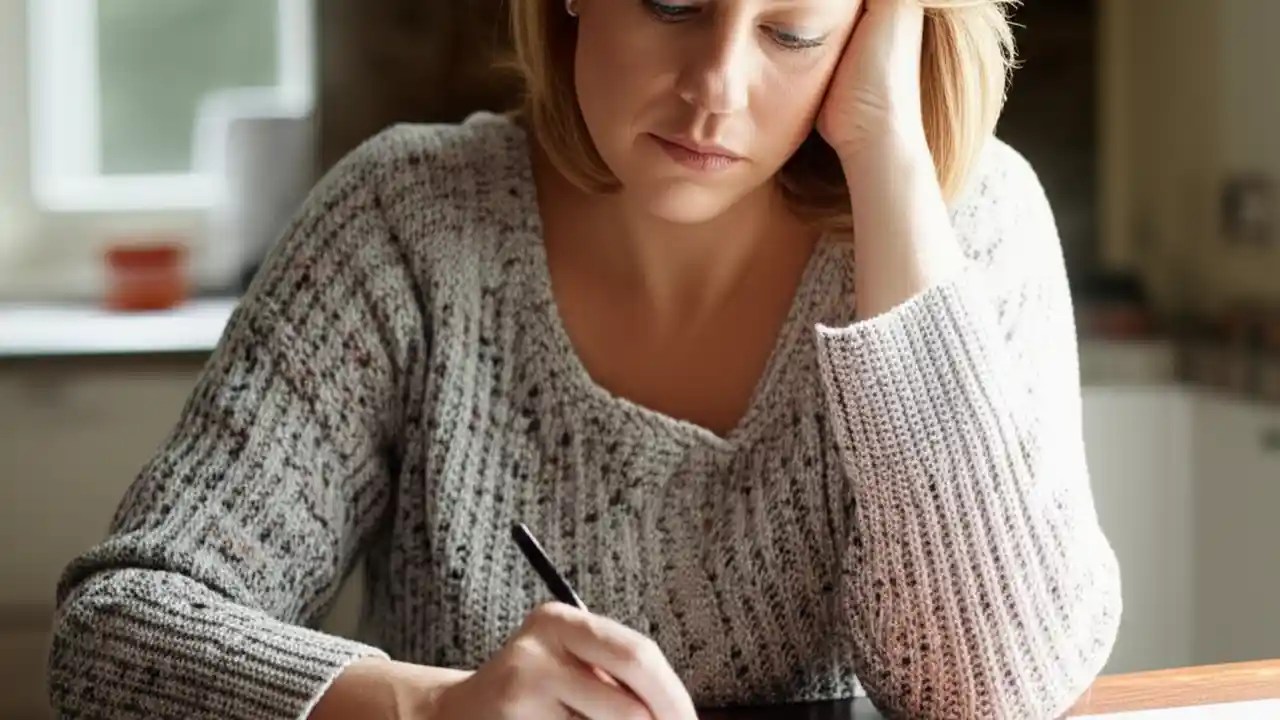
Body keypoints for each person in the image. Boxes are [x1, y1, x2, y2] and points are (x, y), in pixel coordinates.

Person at [47, 0, 1123, 717]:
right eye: (671, 1)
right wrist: (431, 709)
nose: (716, 87)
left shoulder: (958, 223)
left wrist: (887, 143)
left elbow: (990, 691)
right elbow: (113, 639)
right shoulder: (405, 223)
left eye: (792, 30)